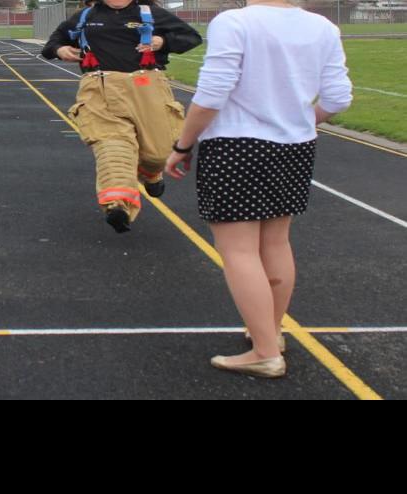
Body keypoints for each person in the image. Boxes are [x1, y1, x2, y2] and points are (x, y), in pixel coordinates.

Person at [165, 1, 353, 378]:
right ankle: (269, 332)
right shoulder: (323, 27)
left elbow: (212, 94)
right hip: (295, 147)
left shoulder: (234, 22)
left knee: (239, 251)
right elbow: (338, 98)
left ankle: (265, 351)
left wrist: (183, 144)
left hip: (237, 147)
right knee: (276, 244)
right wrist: (298, 119)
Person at [42, 0, 202, 233]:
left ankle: (150, 172)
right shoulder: (84, 16)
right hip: (100, 91)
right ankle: (118, 206)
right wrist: (60, 50)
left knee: (159, 151)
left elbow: (191, 37)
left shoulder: (151, 13)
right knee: (112, 147)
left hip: (148, 88)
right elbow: (53, 42)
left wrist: (163, 41)